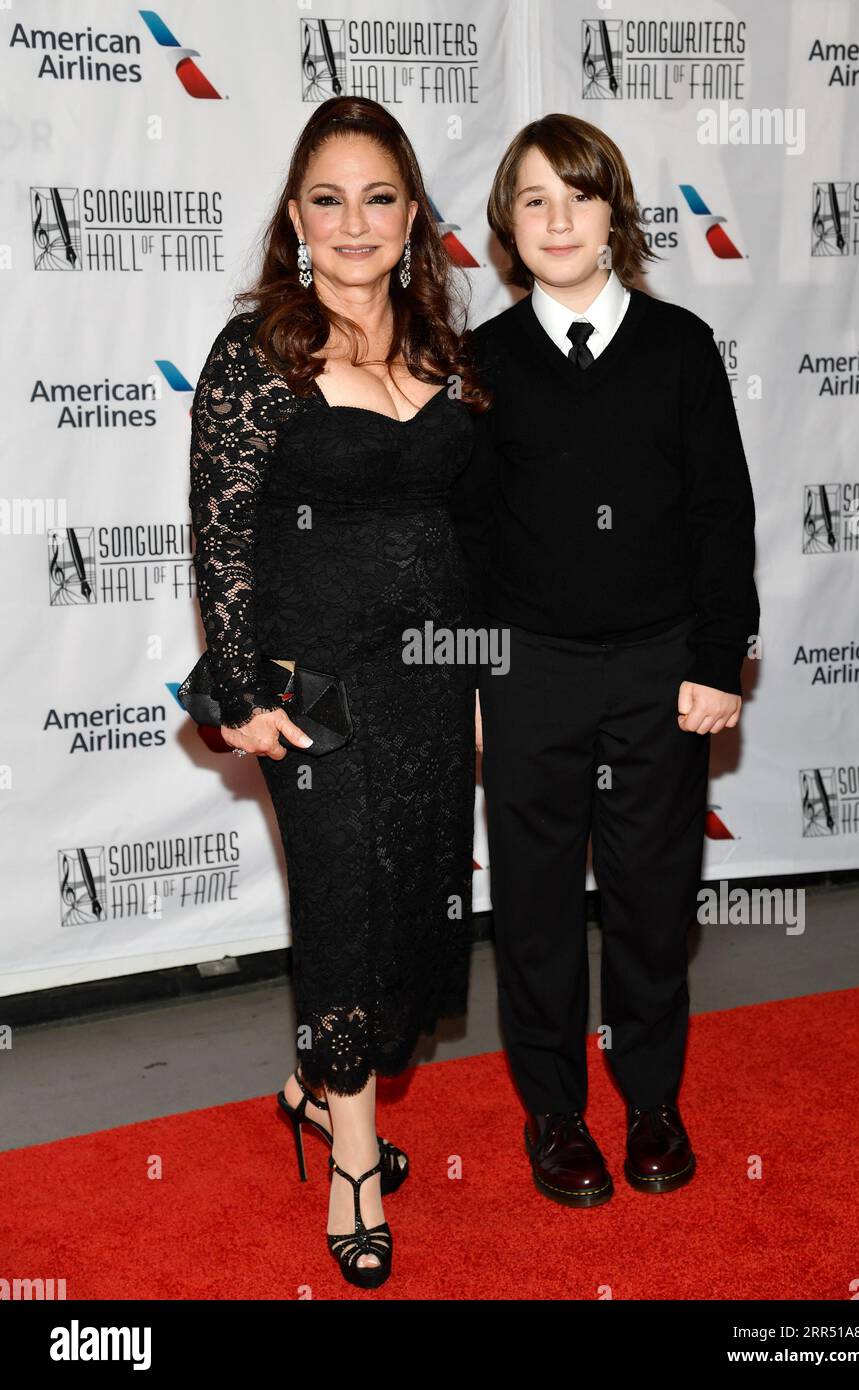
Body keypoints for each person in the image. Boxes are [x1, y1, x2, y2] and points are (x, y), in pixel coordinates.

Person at [188, 96, 487, 1288]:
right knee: (341, 908)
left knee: (414, 899)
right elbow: (220, 537)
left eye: (379, 197)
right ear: (295, 219)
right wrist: (241, 691)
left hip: (430, 680)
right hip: (312, 690)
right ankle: (355, 1161)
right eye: (328, 198)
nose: (354, 222)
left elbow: (465, 529)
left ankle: (316, 1087)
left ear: (412, 215)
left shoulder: (442, 351)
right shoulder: (258, 353)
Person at [450, 113, 761, 1206]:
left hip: (660, 669)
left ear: (613, 213)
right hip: (527, 673)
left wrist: (719, 657)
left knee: (649, 899)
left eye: (577, 196)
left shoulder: (677, 347)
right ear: (506, 225)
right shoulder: (480, 362)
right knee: (533, 906)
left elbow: (722, 512)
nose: (557, 219)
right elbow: (469, 540)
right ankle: (554, 1113)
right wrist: (476, 683)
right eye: (533, 200)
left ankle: (653, 1099)